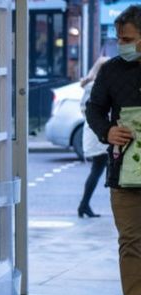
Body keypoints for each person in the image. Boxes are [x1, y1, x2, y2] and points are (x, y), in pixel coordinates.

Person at [86, 5, 141, 295]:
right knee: (131, 241)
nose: (121, 43)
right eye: (119, 38)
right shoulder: (110, 70)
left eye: (128, 38)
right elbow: (94, 109)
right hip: (124, 171)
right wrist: (106, 131)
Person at [78, 57, 110, 218]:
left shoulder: (94, 85)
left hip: (97, 134)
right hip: (98, 135)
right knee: (99, 170)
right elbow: (89, 111)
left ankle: (84, 205)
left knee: (99, 170)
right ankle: (84, 205)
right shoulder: (94, 87)